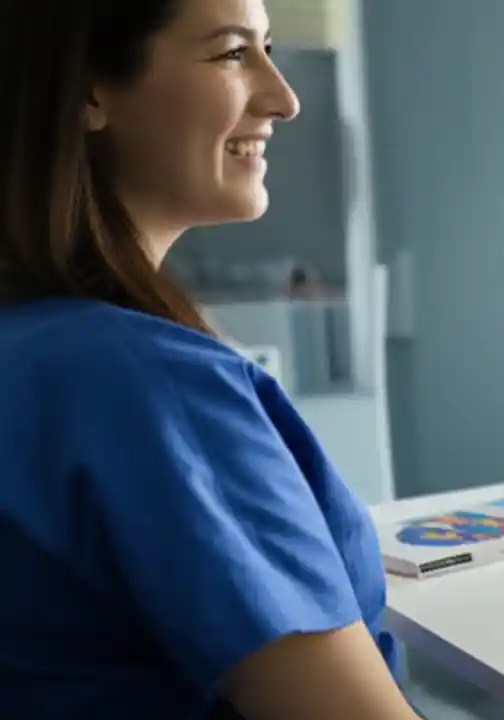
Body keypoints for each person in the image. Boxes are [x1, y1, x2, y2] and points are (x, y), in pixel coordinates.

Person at [0, 1, 423, 718]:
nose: (283, 99)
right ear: (89, 92)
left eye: (266, 47)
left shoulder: (35, 345)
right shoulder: (144, 385)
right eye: (232, 53)